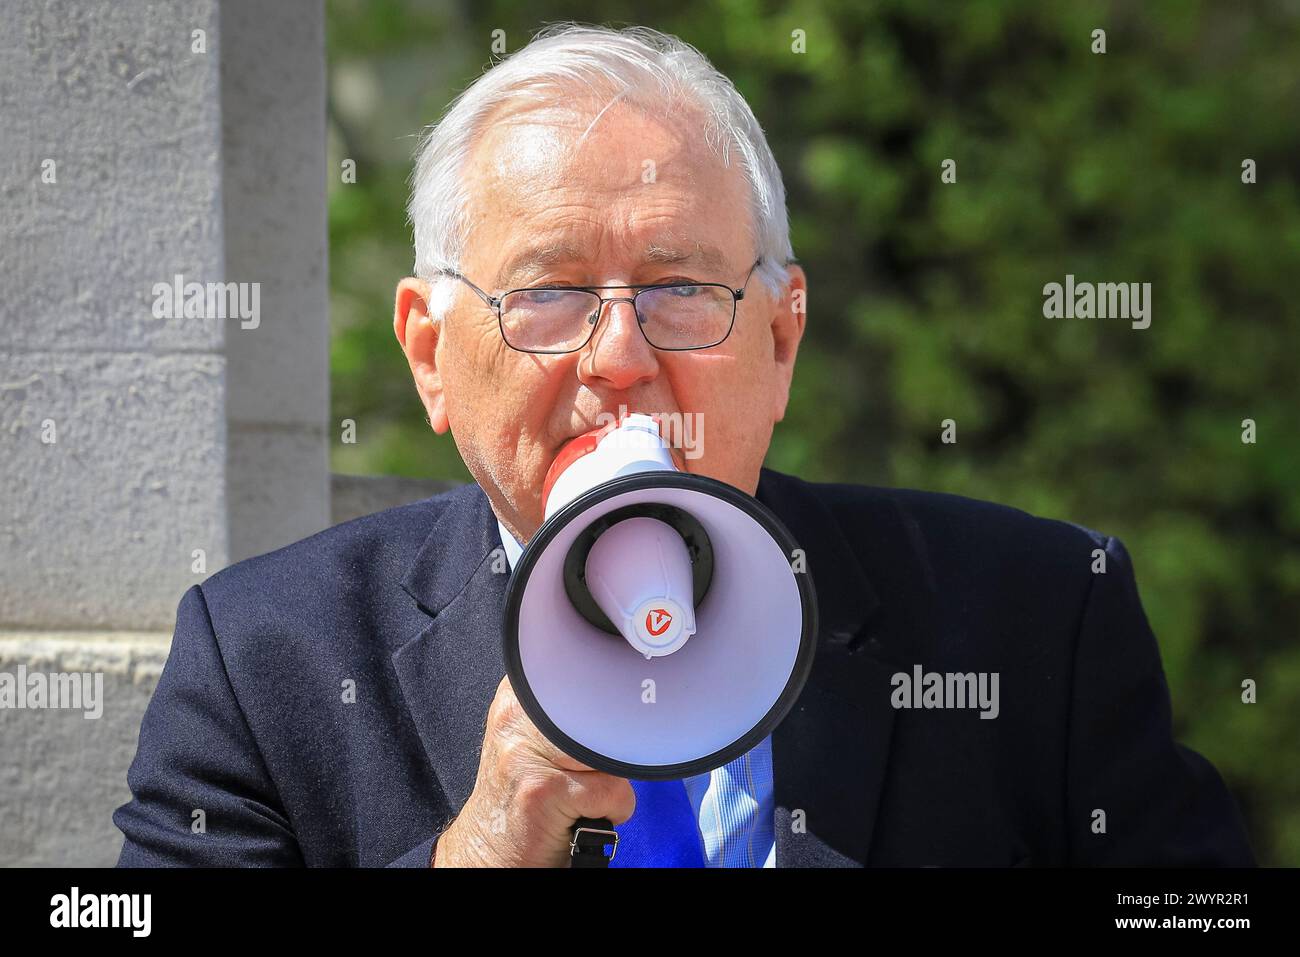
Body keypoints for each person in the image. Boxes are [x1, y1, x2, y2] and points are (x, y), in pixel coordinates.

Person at [114, 23, 1254, 867]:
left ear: (782, 337)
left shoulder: (1035, 616)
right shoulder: (265, 663)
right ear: (428, 355)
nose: (618, 356)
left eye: (680, 290)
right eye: (550, 292)